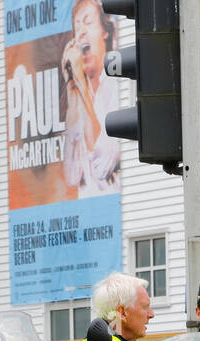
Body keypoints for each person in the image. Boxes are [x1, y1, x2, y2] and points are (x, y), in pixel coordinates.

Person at [61, 0, 120, 197]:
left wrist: (81, 85)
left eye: (87, 22)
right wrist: (72, 90)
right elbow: (71, 175)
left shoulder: (116, 88)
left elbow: (102, 165)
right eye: (77, 27)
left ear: (105, 31)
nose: (81, 32)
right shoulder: (79, 94)